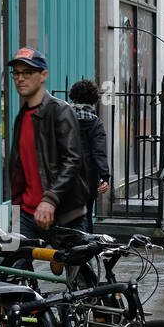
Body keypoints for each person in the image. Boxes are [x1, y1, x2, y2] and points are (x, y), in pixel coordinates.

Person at [6, 47, 89, 254]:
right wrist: (15, 212)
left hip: (64, 214)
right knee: (12, 270)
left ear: (43, 75)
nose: (20, 79)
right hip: (26, 215)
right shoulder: (21, 117)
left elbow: (73, 160)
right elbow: (19, 169)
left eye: (27, 73)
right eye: (16, 73)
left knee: (80, 280)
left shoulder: (60, 111)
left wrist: (50, 199)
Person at [68, 78, 110, 229]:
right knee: (86, 215)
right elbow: (99, 152)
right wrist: (104, 177)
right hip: (88, 177)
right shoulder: (95, 123)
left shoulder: (63, 118)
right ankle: (86, 247)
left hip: (65, 175)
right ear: (93, 99)